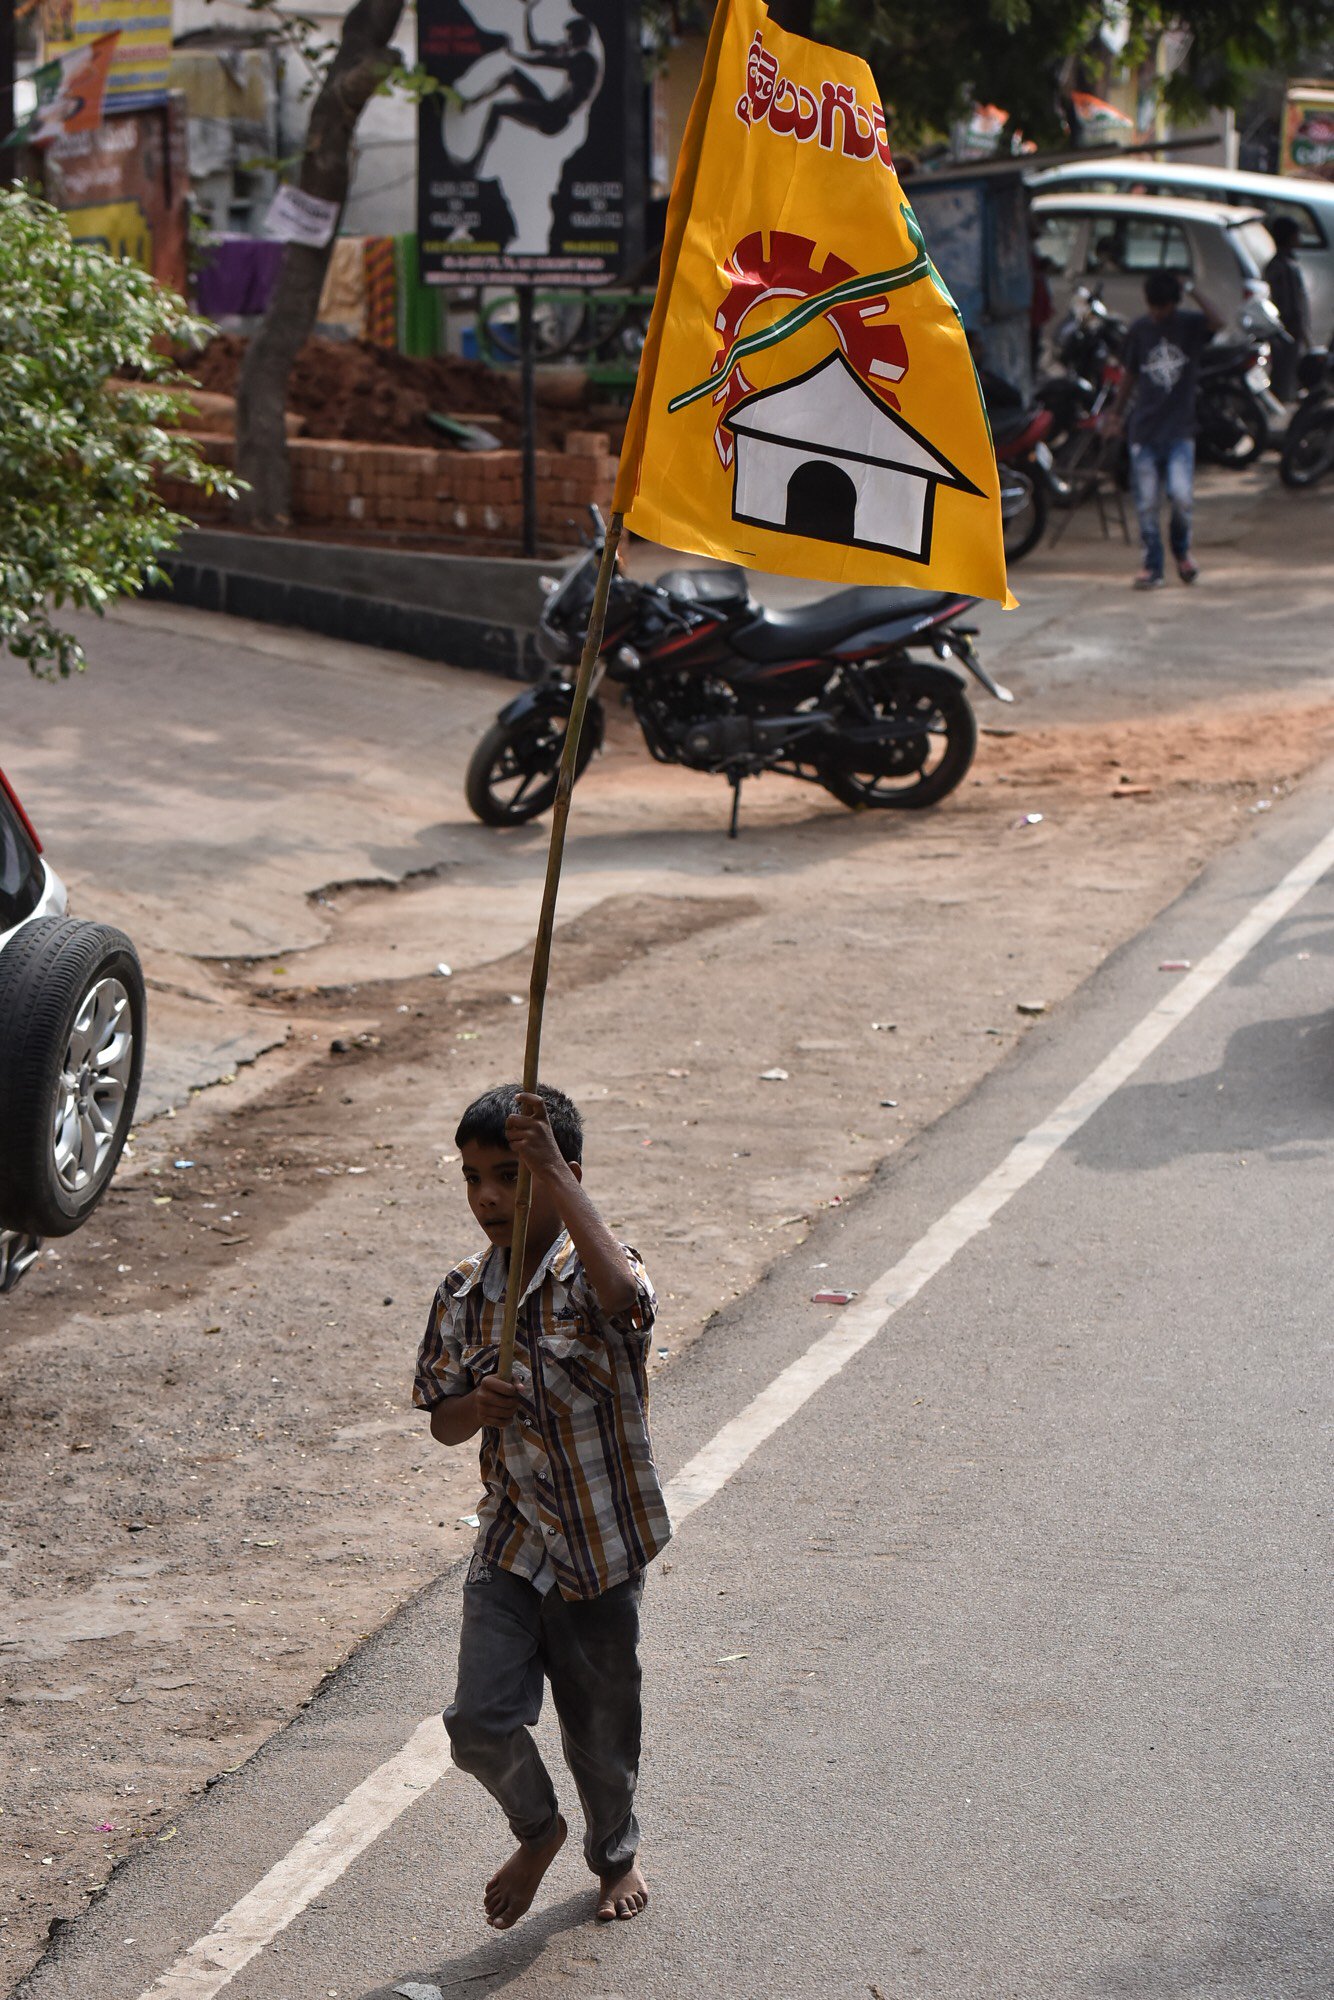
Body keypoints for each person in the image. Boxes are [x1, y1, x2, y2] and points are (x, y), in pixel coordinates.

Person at [413, 1081, 669, 1930]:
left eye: (509, 1177)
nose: (488, 1196)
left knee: (601, 1735)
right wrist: (473, 1408)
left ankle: (613, 1856)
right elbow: (443, 1420)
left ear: (563, 1177)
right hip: (513, 1544)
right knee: (477, 1722)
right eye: (473, 1176)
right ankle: (539, 1827)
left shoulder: (596, 1270)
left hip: (597, 1551)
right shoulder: (460, 1295)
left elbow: (628, 1305)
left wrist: (554, 1174)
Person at [1106, 268, 1223, 589]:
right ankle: (1152, 565)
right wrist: (1116, 415)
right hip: (1144, 431)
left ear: (1174, 303)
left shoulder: (1189, 326)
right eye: (1153, 306)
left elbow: (1218, 321)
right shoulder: (1141, 330)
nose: (1158, 313)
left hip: (1179, 431)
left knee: (1182, 498)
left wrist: (1194, 290)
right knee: (1146, 504)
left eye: (1164, 307)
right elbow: (1129, 375)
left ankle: (1182, 553)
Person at [1263, 214, 1312, 402]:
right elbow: (1288, 303)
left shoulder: (1282, 264)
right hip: (1288, 328)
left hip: (1288, 328)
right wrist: (1296, 327)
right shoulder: (1283, 267)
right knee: (1283, 373)